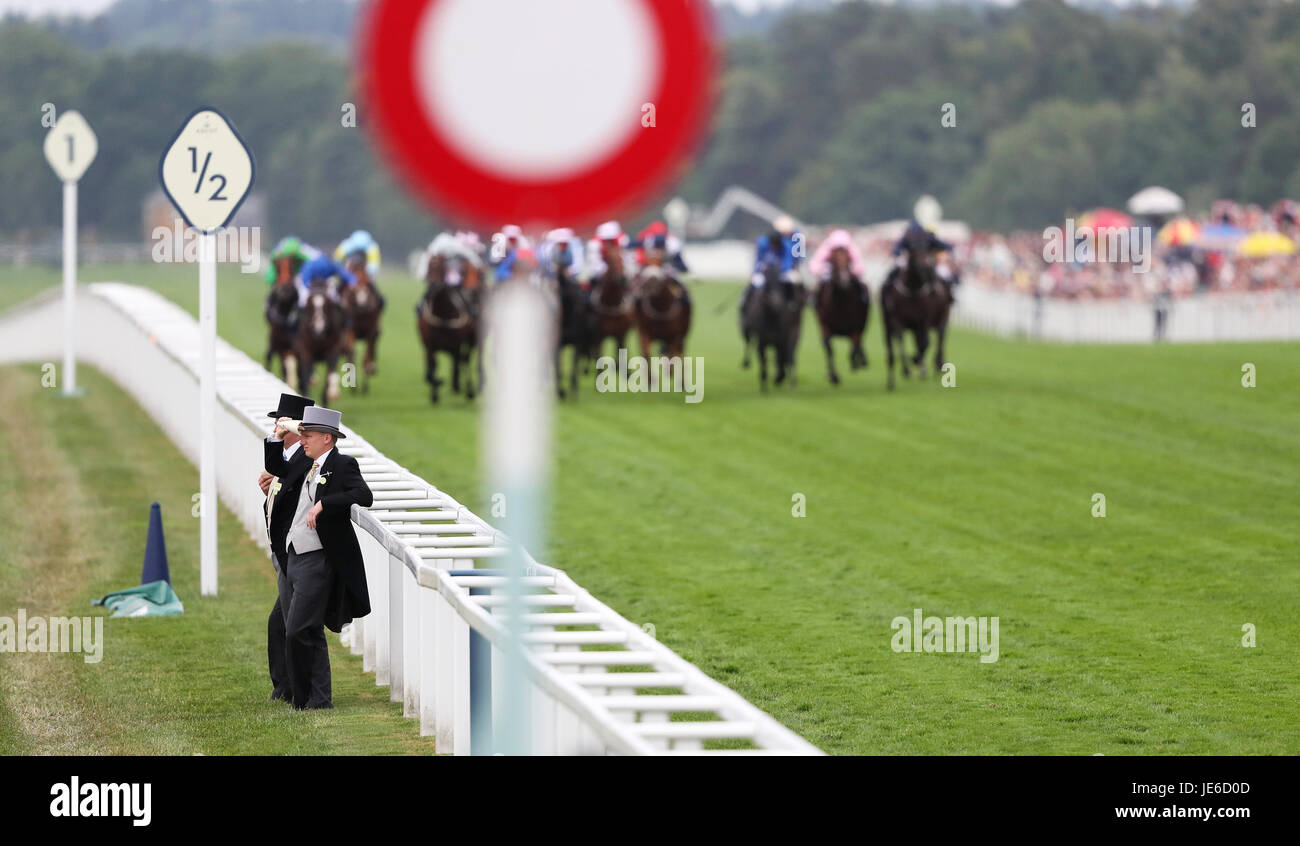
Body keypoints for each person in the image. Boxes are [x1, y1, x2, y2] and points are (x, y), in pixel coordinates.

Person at [265, 405, 373, 710]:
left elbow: (364, 495)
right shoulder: (306, 462)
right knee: (301, 629)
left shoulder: (342, 465)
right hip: (292, 557)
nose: (302, 440)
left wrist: (324, 505)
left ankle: (304, 699)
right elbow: (275, 465)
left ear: (328, 438)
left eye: (308, 435)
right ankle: (315, 700)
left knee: (299, 629)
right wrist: (277, 435)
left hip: (317, 559)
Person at [256, 392, 315, 704]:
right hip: (284, 553)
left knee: (291, 623)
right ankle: (287, 686)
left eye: (280, 424)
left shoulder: (305, 460)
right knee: (282, 622)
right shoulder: (289, 462)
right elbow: (277, 503)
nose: (276, 430)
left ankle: (297, 689)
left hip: (296, 553)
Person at [741, 215, 803, 312]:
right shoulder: (763, 242)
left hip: (784, 271)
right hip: (765, 272)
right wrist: (756, 272)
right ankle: (745, 304)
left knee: (795, 282)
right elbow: (758, 260)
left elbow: (791, 260)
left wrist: (782, 270)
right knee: (752, 284)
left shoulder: (793, 240)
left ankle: (793, 303)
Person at [334, 229, 386, 312]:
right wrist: (343, 273)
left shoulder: (372, 249)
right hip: (350, 272)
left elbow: (373, 266)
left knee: (378, 297)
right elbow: (337, 260)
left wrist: (368, 274)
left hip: (363, 273)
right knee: (337, 293)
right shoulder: (347, 246)